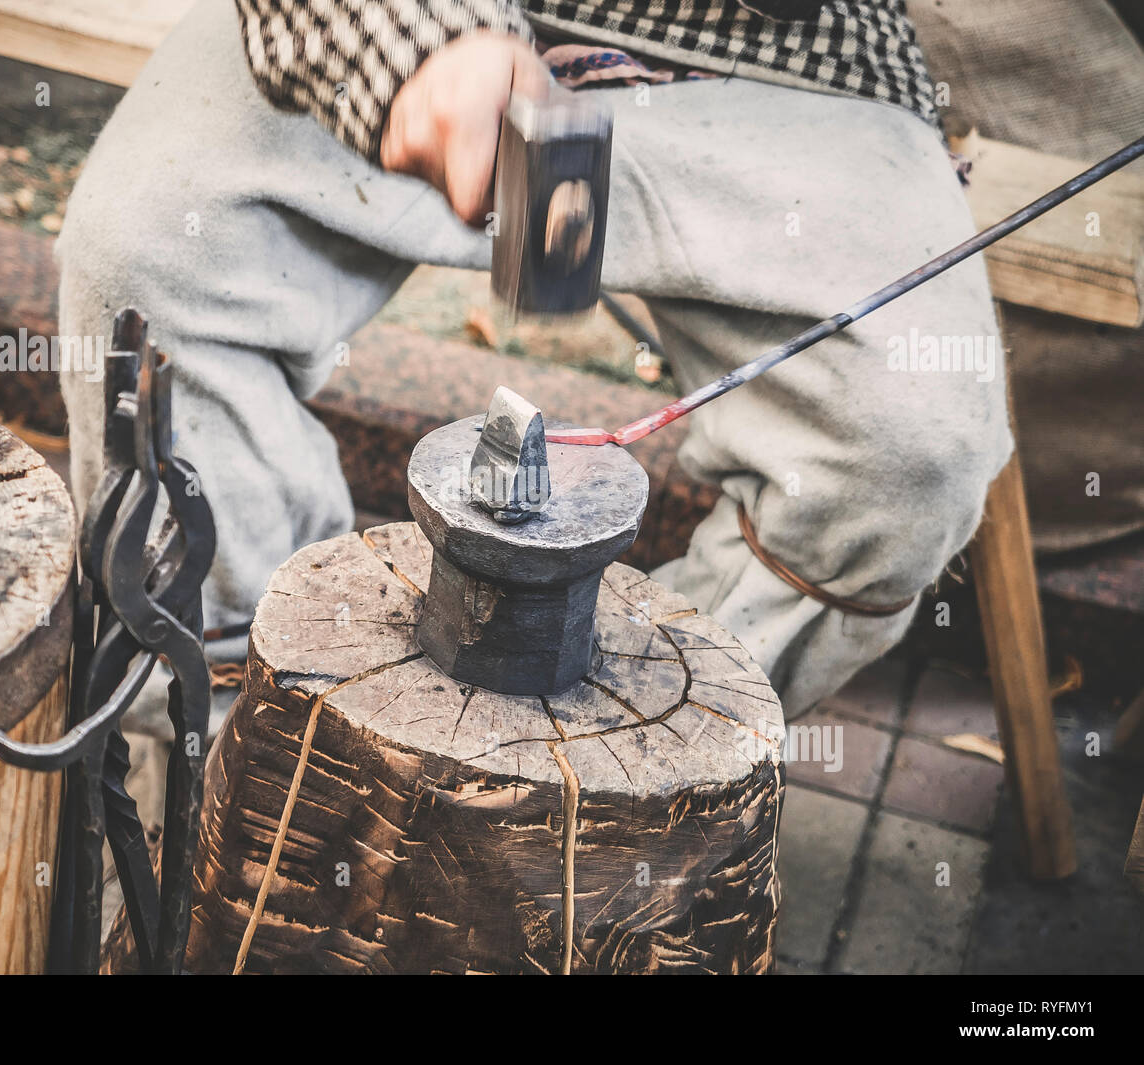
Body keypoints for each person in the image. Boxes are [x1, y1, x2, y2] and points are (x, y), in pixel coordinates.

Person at [57, 0, 1011, 716]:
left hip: (788, 59)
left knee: (911, 448)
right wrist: (413, 39)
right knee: (144, 256)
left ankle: (611, 761)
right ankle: (246, 724)